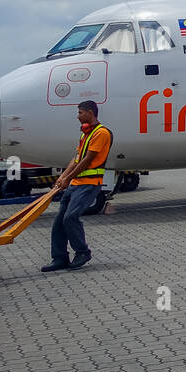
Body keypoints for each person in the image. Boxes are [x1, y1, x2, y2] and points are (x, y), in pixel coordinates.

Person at [41, 100, 112, 272]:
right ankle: (59, 258)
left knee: (70, 217)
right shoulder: (85, 134)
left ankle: (82, 252)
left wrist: (68, 178)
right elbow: (77, 158)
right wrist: (63, 177)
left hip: (89, 185)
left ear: (90, 112)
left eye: (80, 112)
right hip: (75, 184)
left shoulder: (101, 133)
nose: (78, 116)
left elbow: (87, 160)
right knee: (59, 221)